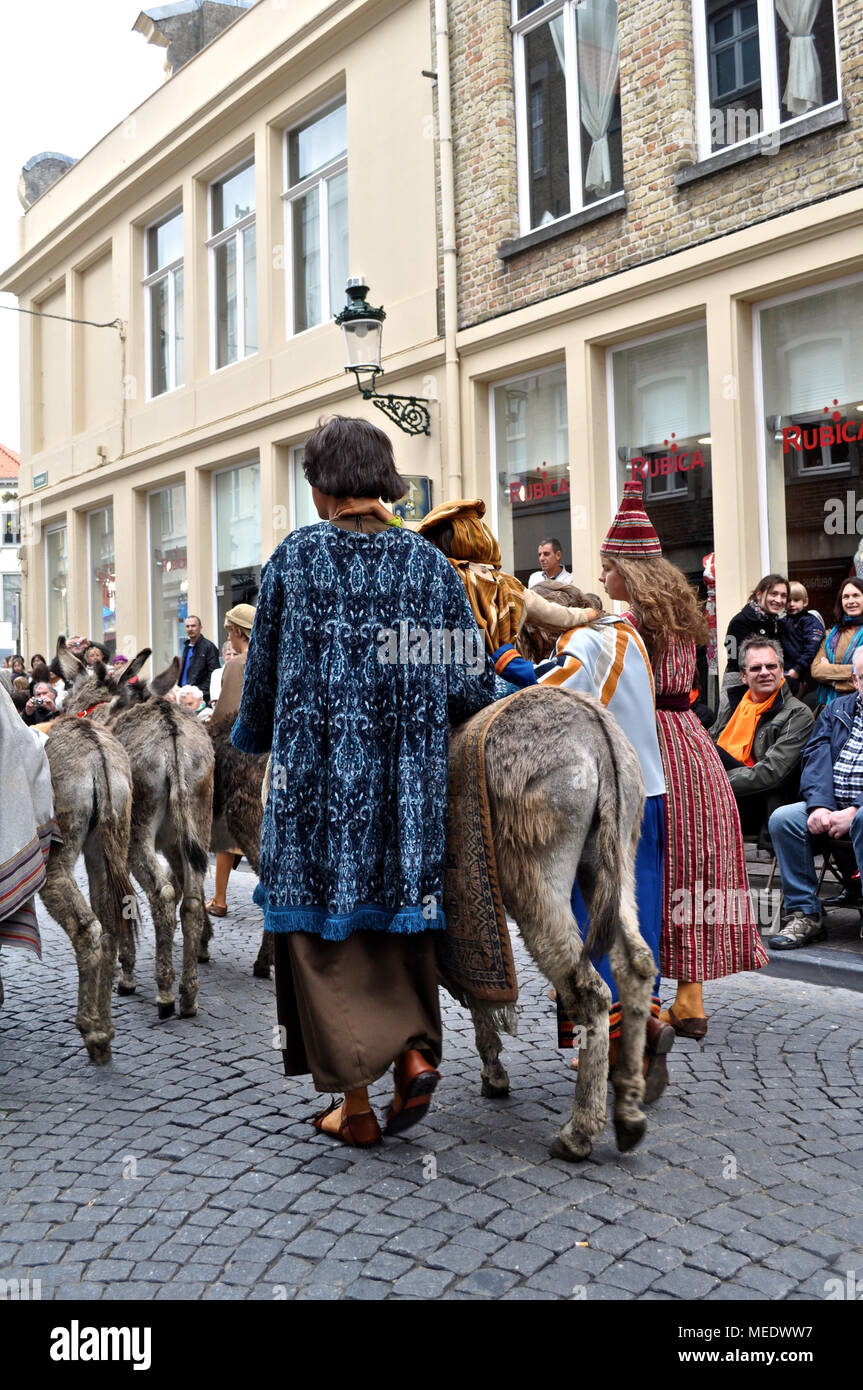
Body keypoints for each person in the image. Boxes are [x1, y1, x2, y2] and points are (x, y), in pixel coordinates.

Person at [231, 415, 497, 1148]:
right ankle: (412, 1050)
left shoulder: (295, 559)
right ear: (382, 483)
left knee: (318, 938)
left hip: (313, 788)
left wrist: (251, 739)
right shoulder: (428, 567)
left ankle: (353, 1108)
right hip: (403, 793)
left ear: (320, 490)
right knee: (397, 924)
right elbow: (466, 686)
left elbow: (262, 678)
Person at [492, 580, 674, 1101]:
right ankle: (645, 1023)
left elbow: (542, 686)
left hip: (604, 799)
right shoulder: (629, 634)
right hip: (649, 789)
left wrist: (503, 657)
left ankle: (612, 1049)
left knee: (594, 921)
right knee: (642, 918)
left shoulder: (582, 641)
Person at [599, 480, 768, 1038]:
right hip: (695, 747)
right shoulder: (682, 614)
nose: (603, 579)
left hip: (653, 748)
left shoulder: (628, 625)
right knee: (694, 869)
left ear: (629, 570)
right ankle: (690, 1001)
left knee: (650, 869)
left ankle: (637, 1008)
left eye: (608, 568)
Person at [768, 646, 863, 950]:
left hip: (858, 810)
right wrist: (820, 805)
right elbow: (815, 756)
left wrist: (856, 809)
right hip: (832, 803)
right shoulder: (837, 710)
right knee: (784, 819)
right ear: (856, 680)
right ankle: (806, 914)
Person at [711, 637, 814, 838]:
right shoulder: (734, 705)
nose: (765, 672)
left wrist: (713, 784)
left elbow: (771, 774)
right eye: (756, 668)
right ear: (743, 676)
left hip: (764, 805)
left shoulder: (798, 713)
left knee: (708, 749)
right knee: (700, 745)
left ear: (781, 669)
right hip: (729, 794)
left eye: (771, 666)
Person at [206, 604, 256, 919]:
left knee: (227, 825)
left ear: (238, 631)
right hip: (269, 754)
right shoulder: (273, 658)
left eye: (229, 631)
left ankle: (220, 898)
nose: (229, 637)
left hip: (241, 753)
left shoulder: (237, 665)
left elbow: (226, 713)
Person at [721, 574, 789, 695]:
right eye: (773, 594)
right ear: (759, 594)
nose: (779, 600)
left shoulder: (777, 624)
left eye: (783, 596)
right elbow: (734, 659)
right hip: (740, 690)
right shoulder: (740, 621)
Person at [809, 578, 863, 709]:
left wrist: (832, 682)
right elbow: (817, 670)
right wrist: (855, 672)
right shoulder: (830, 634)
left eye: (856, 595)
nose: (851, 601)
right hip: (828, 708)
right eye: (846, 597)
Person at [780, 582, 825, 696]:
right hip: (787, 672)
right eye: (788, 600)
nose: (791, 604)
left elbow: (812, 648)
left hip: (805, 673)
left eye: (796, 600)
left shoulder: (810, 621)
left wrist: (798, 668)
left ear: (805, 602)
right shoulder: (783, 622)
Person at [178, 615, 220, 703]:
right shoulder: (186, 647)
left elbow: (214, 673)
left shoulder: (209, 647)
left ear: (200, 627)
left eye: (193, 626)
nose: (190, 629)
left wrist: (199, 691)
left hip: (199, 697)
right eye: (187, 626)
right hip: (184, 695)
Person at [207, 641, 235, 705]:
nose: (232, 657)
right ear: (223, 656)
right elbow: (215, 699)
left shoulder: (244, 673)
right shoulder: (216, 674)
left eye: (235, 654)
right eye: (228, 654)